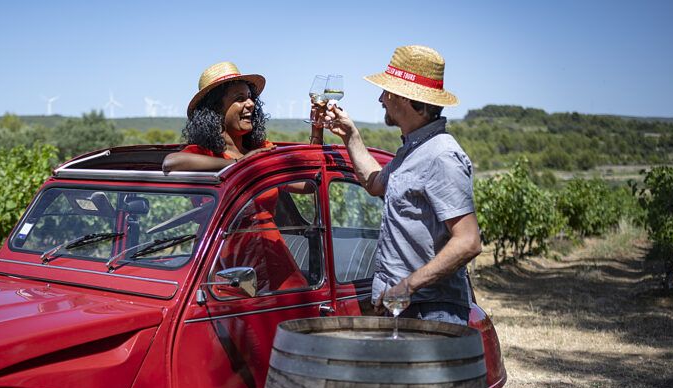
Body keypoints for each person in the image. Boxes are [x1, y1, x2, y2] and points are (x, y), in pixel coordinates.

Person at [318, 45, 482, 326]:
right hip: (410, 308)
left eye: (387, 92)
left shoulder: (441, 155)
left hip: (431, 312)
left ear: (405, 98)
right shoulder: (413, 151)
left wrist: (407, 286)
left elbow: (468, 241)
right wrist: (350, 135)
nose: (381, 99)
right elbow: (375, 183)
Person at [164, 62, 308, 293]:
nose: (250, 104)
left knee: (290, 307)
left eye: (250, 98)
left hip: (272, 255)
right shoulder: (204, 153)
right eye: (239, 99)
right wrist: (240, 164)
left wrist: (317, 130)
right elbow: (171, 163)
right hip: (221, 260)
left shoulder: (261, 149)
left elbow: (304, 185)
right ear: (216, 109)